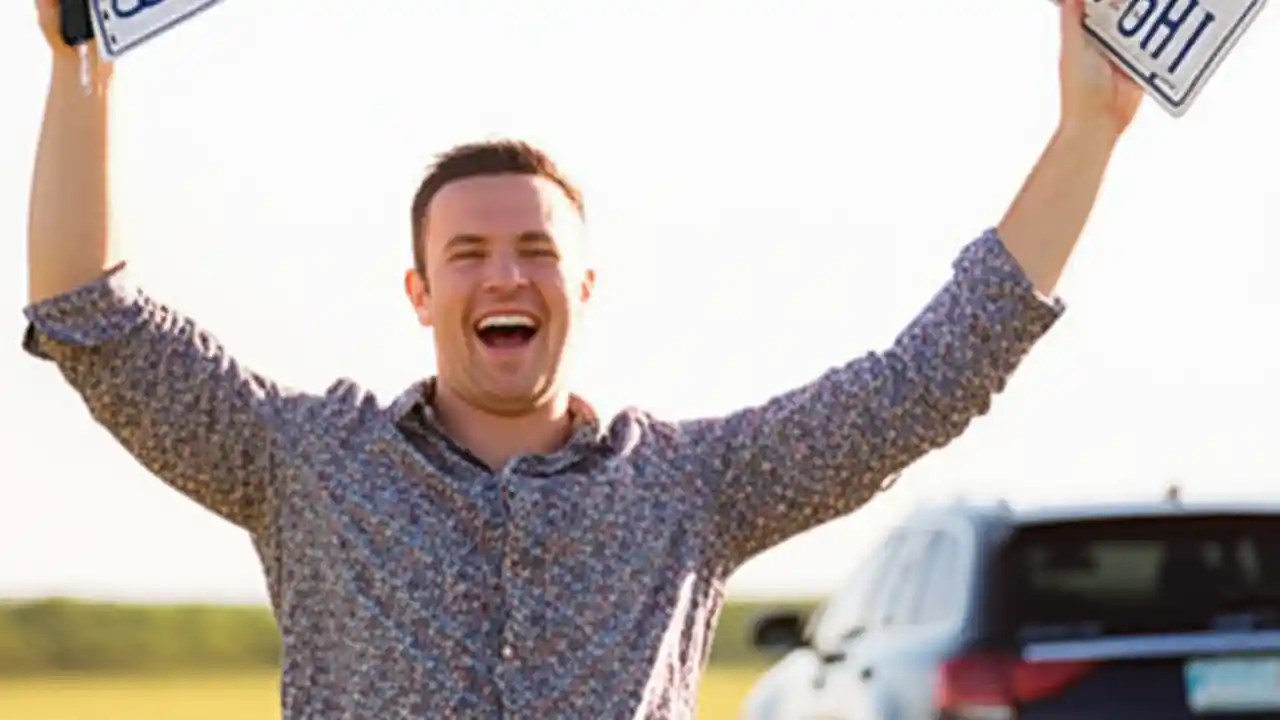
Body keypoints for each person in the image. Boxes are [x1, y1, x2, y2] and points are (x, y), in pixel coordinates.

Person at [24, 0, 1141, 717]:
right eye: (466, 253)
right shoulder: (304, 464)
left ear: (583, 288)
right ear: (419, 294)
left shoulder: (689, 490)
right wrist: (86, 70)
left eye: (535, 251)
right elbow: (91, 320)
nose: (503, 277)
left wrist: (1084, 131)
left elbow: (926, 379)